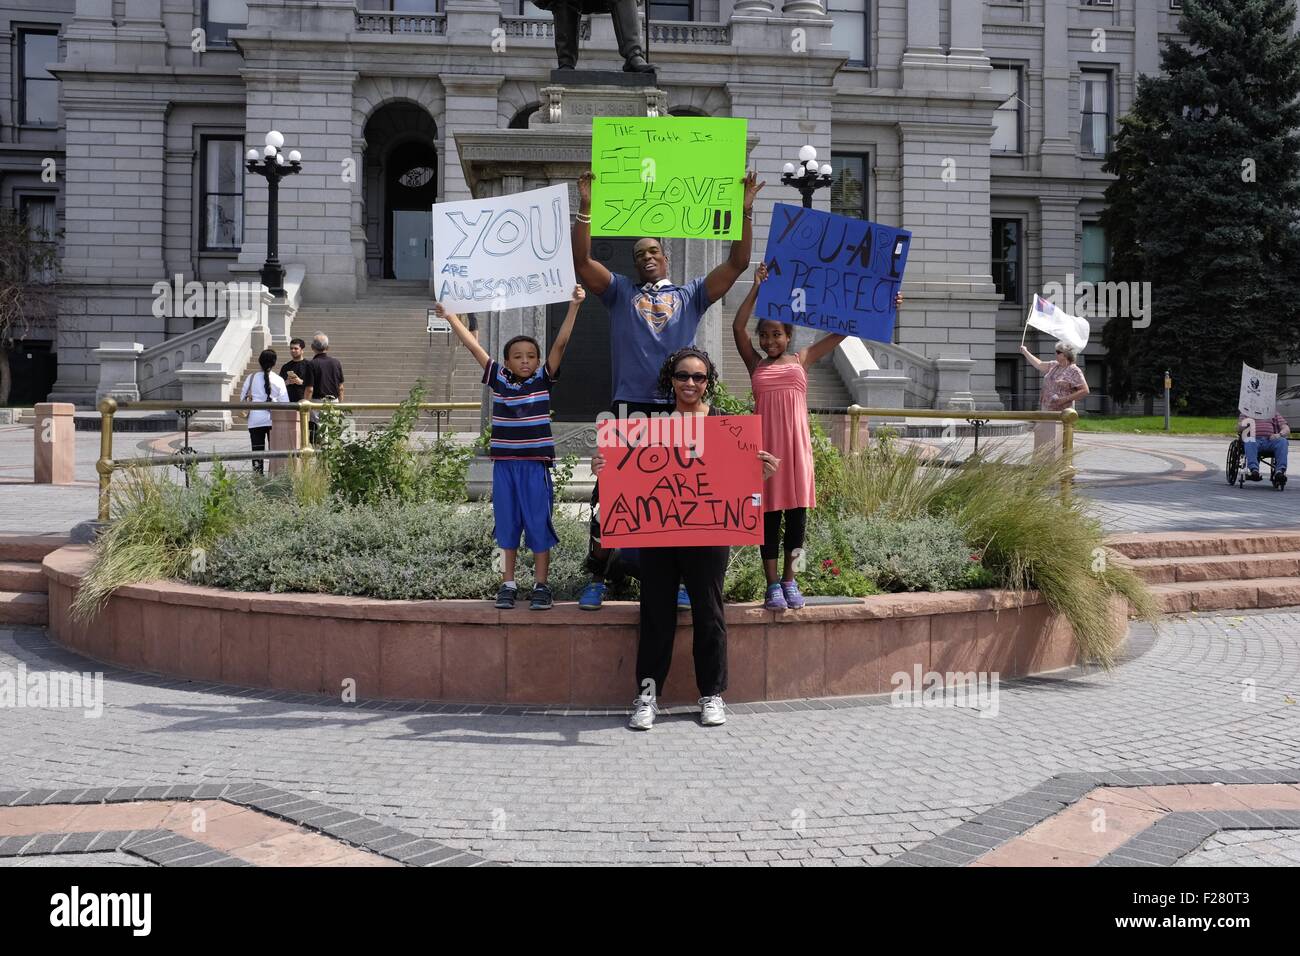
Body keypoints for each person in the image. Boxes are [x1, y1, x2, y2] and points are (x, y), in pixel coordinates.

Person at [572, 167, 766, 611]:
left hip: (682, 411)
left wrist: (745, 210)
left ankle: (679, 580)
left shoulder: (692, 294)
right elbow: (582, 263)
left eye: (654, 251)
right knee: (611, 498)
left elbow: (737, 263)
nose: (646, 257)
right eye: (639, 253)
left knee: (683, 496)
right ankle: (598, 576)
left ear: (667, 258)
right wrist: (586, 207)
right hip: (632, 409)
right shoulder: (619, 292)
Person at [592, 347, 780, 730]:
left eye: (698, 377)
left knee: (709, 613)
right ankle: (646, 696)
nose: (690, 383)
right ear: (670, 379)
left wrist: (759, 476)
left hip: (710, 533)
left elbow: (741, 486)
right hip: (660, 533)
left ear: (708, 382)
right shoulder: (650, 427)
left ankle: (712, 694)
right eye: (683, 376)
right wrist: (604, 468)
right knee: (655, 613)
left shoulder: (727, 427)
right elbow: (628, 477)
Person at [733, 263, 904, 609]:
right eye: (765, 335)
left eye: (776, 334)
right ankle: (771, 587)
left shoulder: (803, 359)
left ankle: (790, 580)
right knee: (767, 521)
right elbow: (738, 326)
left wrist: (885, 305)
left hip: (796, 452)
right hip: (765, 455)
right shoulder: (756, 364)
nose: (769, 341)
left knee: (797, 522)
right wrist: (755, 287)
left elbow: (843, 331)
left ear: (788, 335)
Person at [436, 285, 586, 610]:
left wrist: (573, 307)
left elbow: (560, 343)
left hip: (535, 465)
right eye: (518, 356)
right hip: (504, 466)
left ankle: (541, 585)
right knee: (507, 523)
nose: (525, 361)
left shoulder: (543, 380)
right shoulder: (499, 379)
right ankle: (508, 583)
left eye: (531, 356)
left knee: (538, 523)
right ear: (506, 361)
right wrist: (450, 317)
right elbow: (473, 347)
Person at [1020, 340, 1089, 452]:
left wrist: (1064, 399)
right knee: (1043, 440)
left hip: (1061, 412)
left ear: (1066, 354)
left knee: (1056, 443)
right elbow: (1039, 364)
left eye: (1058, 352)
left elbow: (1085, 390)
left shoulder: (1074, 370)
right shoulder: (1054, 365)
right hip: (1046, 409)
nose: (1055, 354)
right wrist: (1025, 352)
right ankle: (1042, 466)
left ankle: (1057, 466)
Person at [239, 348, 289, 475]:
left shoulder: (251, 378)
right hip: (274, 420)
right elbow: (285, 402)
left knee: (257, 452)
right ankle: (275, 476)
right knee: (275, 452)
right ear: (274, 363)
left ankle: (257, 478)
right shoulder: (279, 380)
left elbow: (242, 398)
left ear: (260, 361)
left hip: (255, 420)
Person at [305, 332, 345, 444]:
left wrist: (306, 405)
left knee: (319, 433)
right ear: (327, 347)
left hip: (317, 402)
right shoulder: (336, 363)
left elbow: (309, 389)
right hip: (334, 401)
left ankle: (321, 458)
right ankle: (331, 456)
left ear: (312, 347)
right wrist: (341, 405)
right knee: (332, 432)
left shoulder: (312, 364)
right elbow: (341, 387)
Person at [1238, 410, 1290, 485]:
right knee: (1249, 440)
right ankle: (1254, 470)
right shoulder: (1246, 412)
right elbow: (1239, 428)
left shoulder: (1273, 412)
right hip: (1254, 440)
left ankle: (1279, 471)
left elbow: (1286, 428)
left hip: (1270, 441)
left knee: (1283, 441)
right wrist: (1246, 422)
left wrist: (1279, 435)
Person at [280, 337, 317, 442]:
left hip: (305, 401)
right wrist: (287, 382)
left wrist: (301, 382)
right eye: (291, 348)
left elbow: (314, 385)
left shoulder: (309, 365)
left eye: (296, 348)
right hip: (290, 403)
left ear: (302, 350)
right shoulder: (286, 366)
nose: (293, 351)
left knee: (306, 431)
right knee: (292, 431)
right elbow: (280, 385)